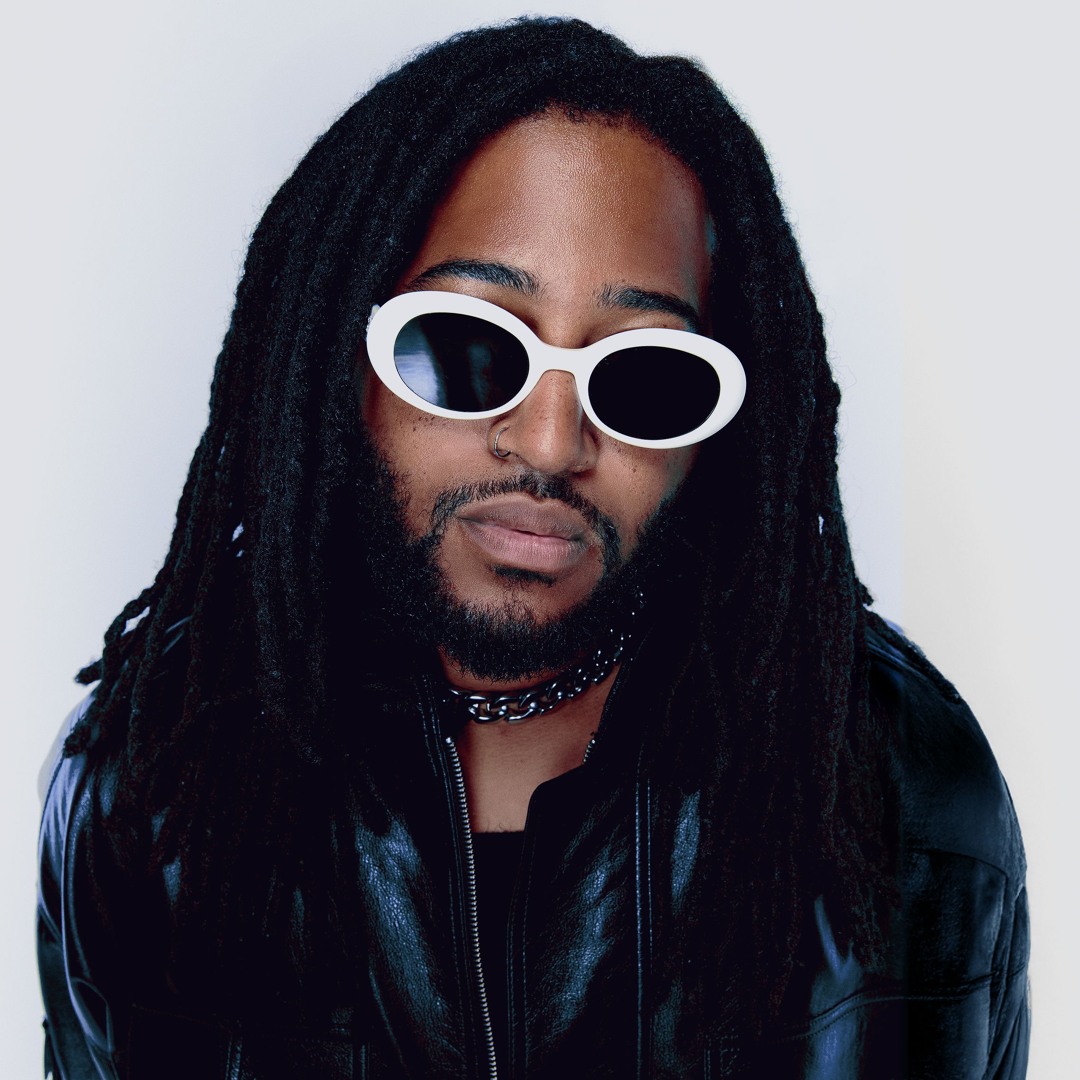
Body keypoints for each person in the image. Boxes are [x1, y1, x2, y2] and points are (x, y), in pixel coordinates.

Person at [36, 17, 1029, 1080]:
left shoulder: (893, 787)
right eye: (466, 347)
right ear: (339, 361)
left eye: (645, 377)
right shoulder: (149, 787)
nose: (552, 445)